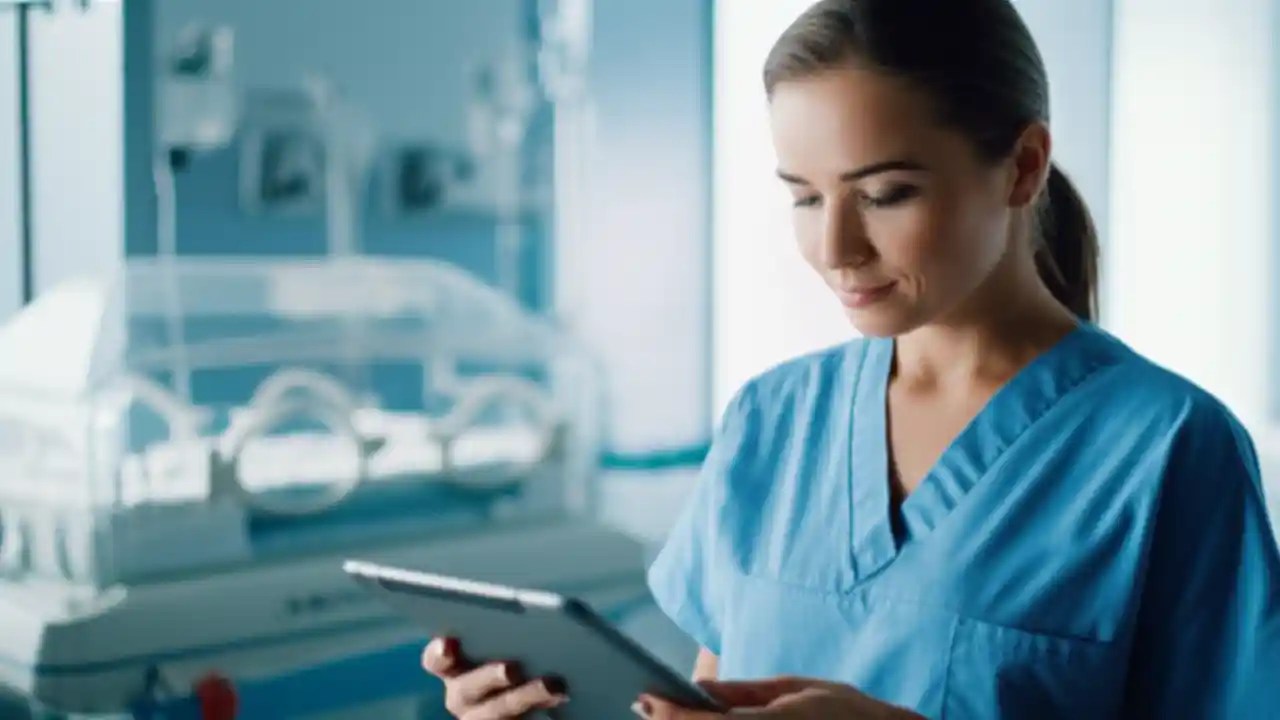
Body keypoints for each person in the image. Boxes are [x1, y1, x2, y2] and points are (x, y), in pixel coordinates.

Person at [422, 0, 1280, 717]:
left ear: (1021, 167)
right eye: (803, 196)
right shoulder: (771, 420)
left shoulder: (1167, 449)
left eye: (884, 195)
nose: (835, 248)